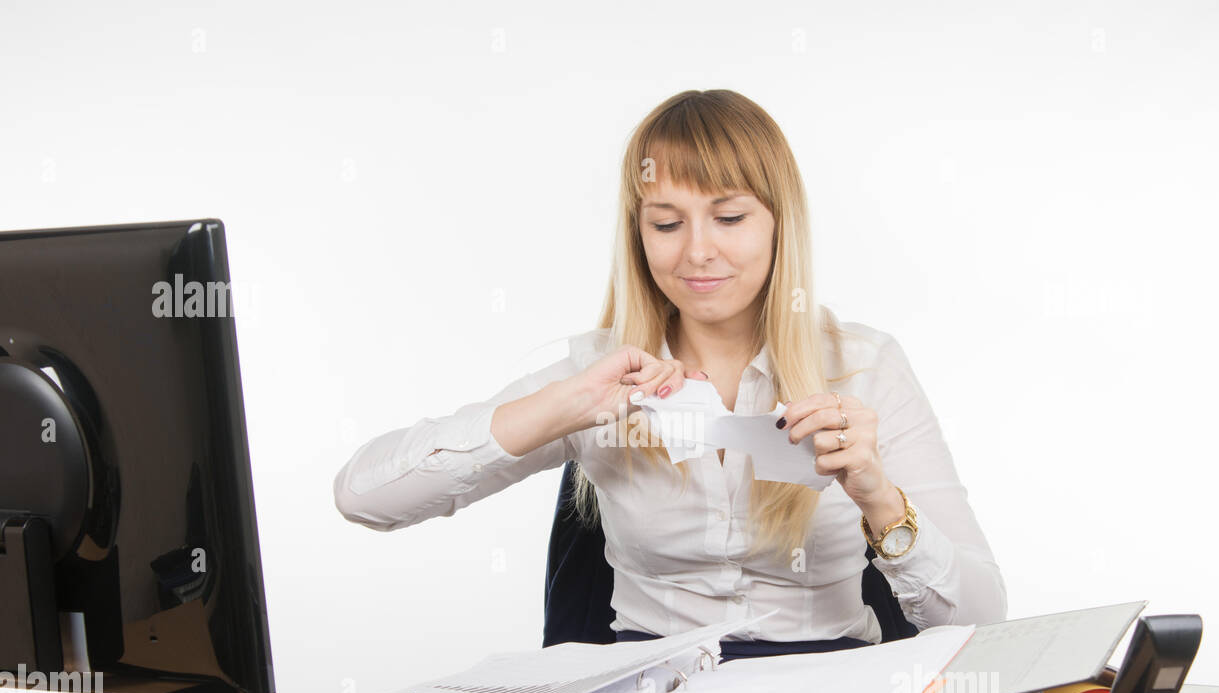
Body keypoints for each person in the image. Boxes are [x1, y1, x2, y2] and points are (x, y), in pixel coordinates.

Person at [334, 89, 1006, 663]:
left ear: (779, 224)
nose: (697, 251)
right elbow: (363, 495)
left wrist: (878, 495)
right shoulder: (599, 369)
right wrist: (560, 409)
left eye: (730, 217)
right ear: (638, 233)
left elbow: (981, 619)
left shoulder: (864, 366)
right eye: (666, 222)